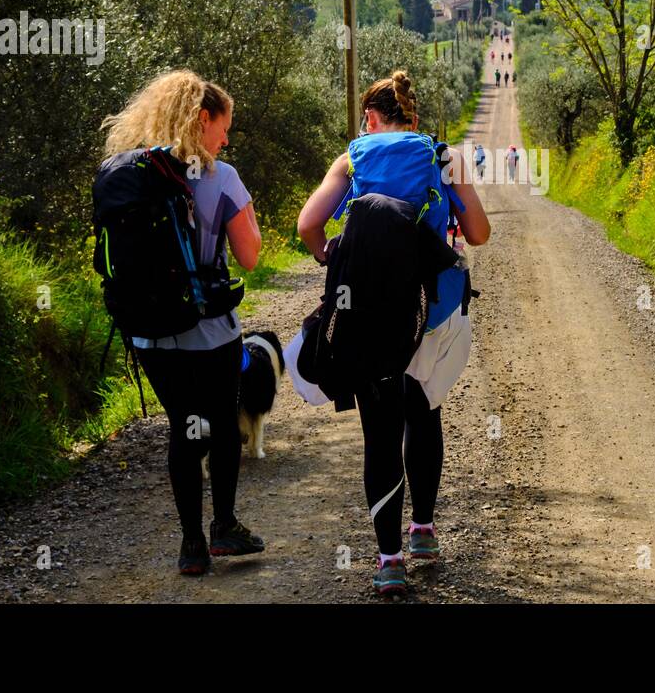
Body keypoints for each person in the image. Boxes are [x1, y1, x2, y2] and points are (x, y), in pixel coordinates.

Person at [297, 71, 491, 596]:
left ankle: (388, 561)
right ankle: (424, 531)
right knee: (423, 411)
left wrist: (330, 255)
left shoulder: (353, 157)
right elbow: (479, 233)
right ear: (414, 119)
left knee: (379, 432)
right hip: (429, 312)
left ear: (371, 117)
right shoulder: (443, 156)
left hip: (367, 316)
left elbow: (307, 223)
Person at [100, 69, 266, 576]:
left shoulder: (128, 174)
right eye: (224, 126)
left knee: (183, 429)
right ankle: (225, 528)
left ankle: (191, 546)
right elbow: (251, 255)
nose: (227, 137)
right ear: (202, 118)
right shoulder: (222, 176)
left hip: (149, 332)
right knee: (219, 425)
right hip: (210, 330)